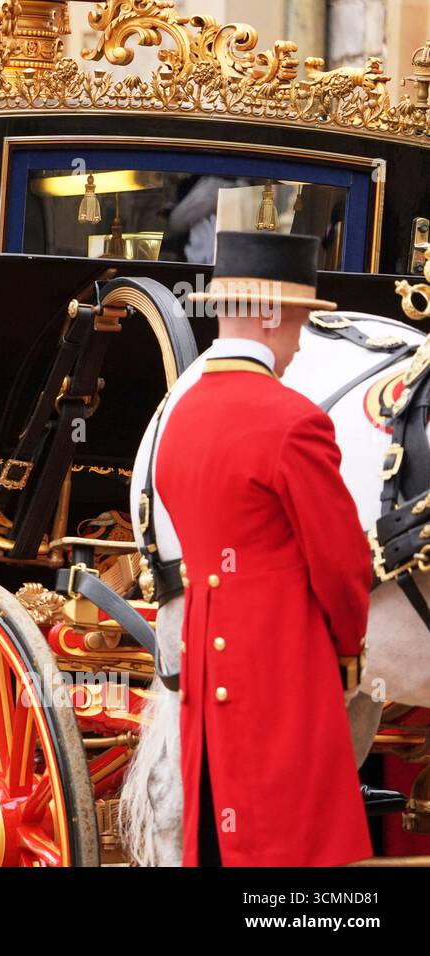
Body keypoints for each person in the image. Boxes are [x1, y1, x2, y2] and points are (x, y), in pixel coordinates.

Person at [154, 231, 372, 866]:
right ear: (271, 315)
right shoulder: (293, 422)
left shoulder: (181, 417)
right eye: (300, 321)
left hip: (206, 683)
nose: (302, 341)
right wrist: (349, 653)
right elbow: (343, 565)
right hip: (282, 675)